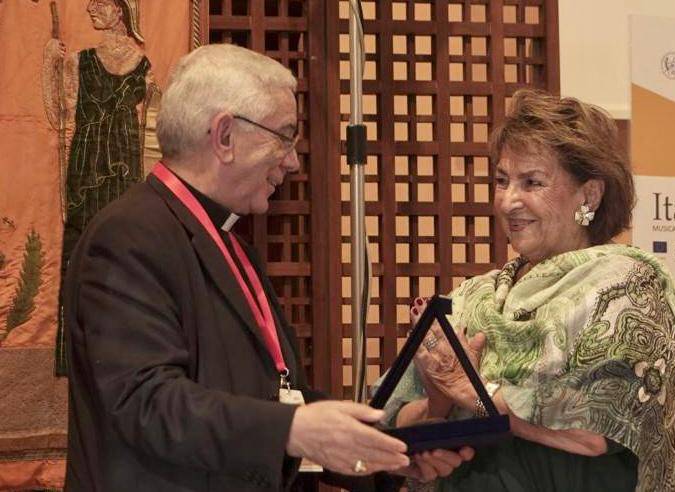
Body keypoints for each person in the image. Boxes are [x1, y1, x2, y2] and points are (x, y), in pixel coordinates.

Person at [63, 43, 471, 491]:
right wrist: (293, 428)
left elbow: (271, 396)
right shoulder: (129, 235)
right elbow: (146, 402)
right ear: (224, 137)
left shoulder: (231, 244)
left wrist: (384, 454)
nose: (293, 160)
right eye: (284, 135)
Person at [379, 90, 675, 491]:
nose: (509, 201)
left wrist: (472, 392)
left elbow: (593, 428)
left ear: (589, 195)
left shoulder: (626, 287)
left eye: (533, 182)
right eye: (501, 181)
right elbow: (389, 417)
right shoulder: (473, 298)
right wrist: (436, 408)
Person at [43, 0, 160, 374]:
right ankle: (75, 355)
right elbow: (58, 113)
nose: (91, 8)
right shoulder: (79, 61)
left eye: (102, 3)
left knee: (123, 253)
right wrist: (50, 62)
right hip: (86, 167)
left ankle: (124, 351)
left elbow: (154, 132)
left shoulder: (144, 67)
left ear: (121, 11)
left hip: (124, 167)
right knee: (80, 252)